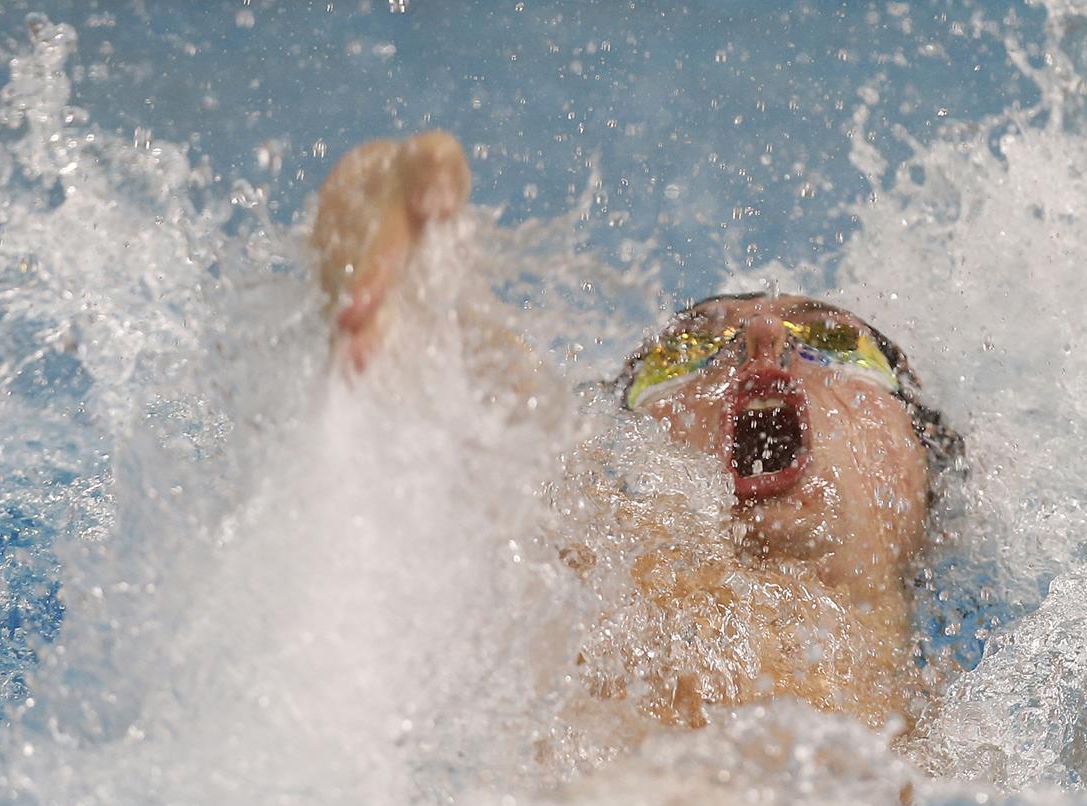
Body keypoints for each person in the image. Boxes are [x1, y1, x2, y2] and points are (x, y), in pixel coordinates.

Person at [311, 131, 962, 733]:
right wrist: (412, 271)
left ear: (925, 471)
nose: (762, 340)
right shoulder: (556, 634)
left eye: (834, 344)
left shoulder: (994, 766)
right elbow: (467, 405)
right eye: (689, 352)